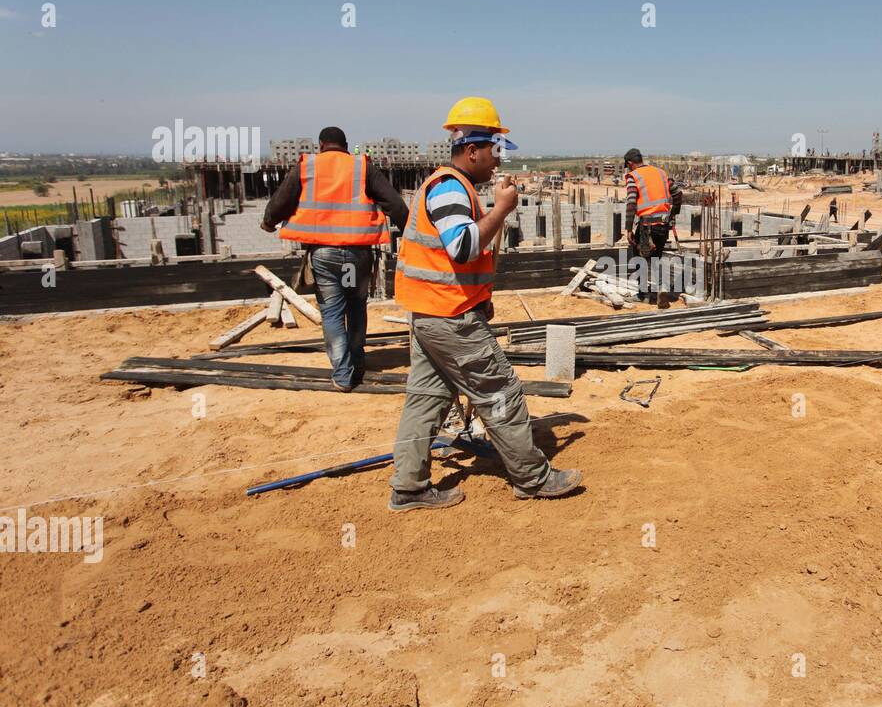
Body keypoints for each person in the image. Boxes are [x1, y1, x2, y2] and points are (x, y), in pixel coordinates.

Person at [388, 97, 583, 511]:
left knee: (426, 399)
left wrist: (482, 296)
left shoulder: (449, 187)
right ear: (471, 150)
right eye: (493, 151)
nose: (497, 161)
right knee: (500, 391)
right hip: (450, 317)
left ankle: (408, 487)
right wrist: (502, 209)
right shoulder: (448, 189)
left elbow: (458, 258)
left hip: (433, 313)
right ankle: (532, 478)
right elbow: (462, 246)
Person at [262, 126, 408, 391]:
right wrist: (409, 231)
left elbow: (281, 201)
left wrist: (269, 222)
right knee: (355, 307)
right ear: (345, 145)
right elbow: (395, 204)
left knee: (331, 311)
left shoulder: (307, 166)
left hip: (325, 255)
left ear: (321, 146)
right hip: (356, 256)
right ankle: (358, 362)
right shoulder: (361, 167)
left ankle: (343, 375)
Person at [623, 148, 683, 308]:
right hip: (663, 225)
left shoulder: (633, 176)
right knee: (655, 258)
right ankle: (661, 288)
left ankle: (643, 295)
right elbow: (677, 194)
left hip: (646, 226)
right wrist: (673, 214)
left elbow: (631, 202)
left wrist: (628, 228)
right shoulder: (661, 173)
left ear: (630, 163)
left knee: (638, 256)